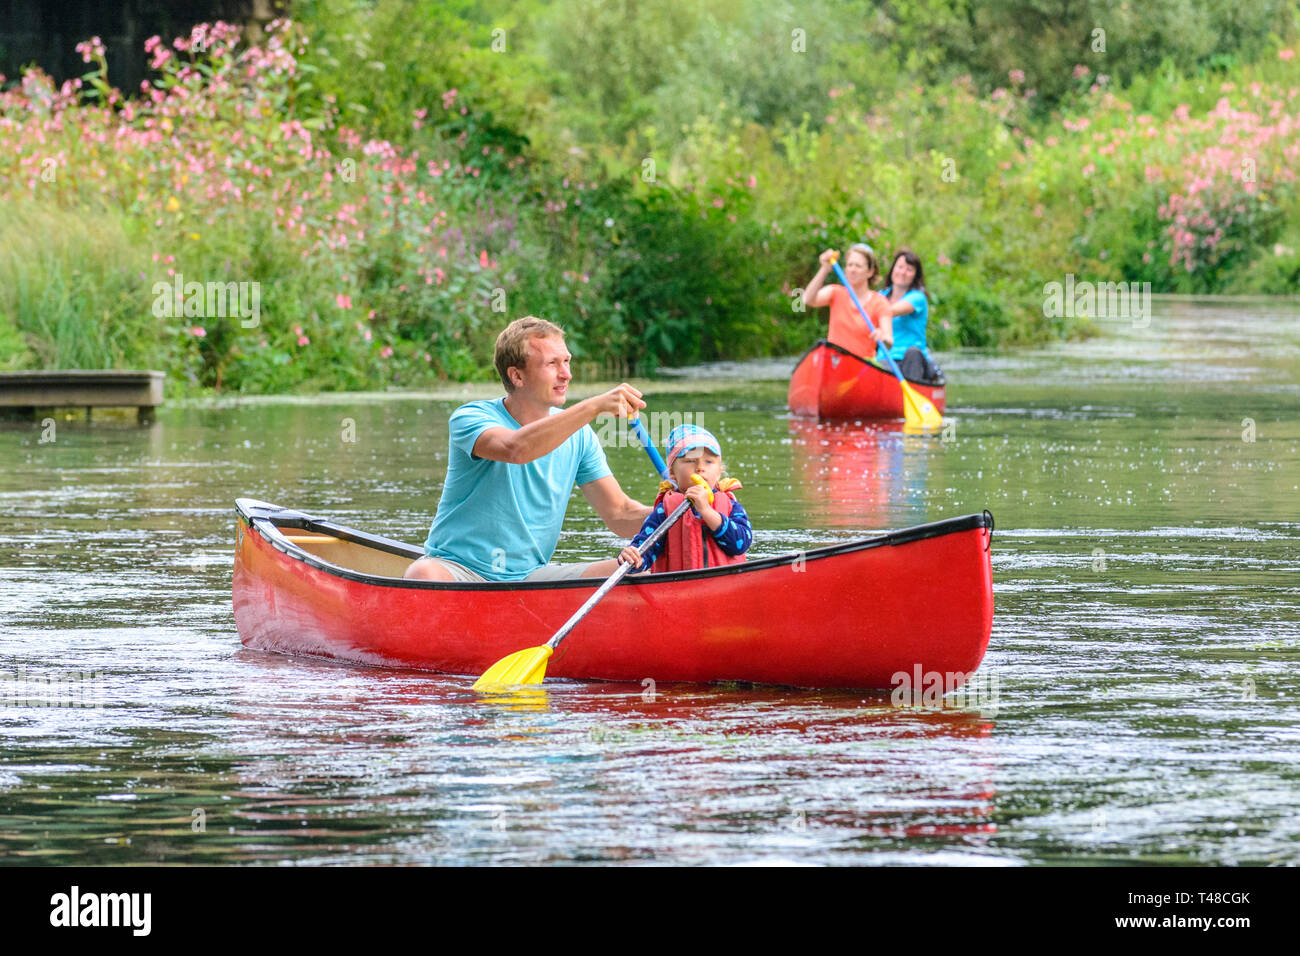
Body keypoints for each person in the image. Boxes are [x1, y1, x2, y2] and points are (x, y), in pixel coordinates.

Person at [404, 316, 651, 583]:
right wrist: (594, 406)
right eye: (552, 364)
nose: (566, 374)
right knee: (422, 573)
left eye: (566, 361)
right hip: (460, 571)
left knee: (646, 568)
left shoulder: (580, 436)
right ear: (517, 376)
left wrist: (677, 509)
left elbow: (620, 514)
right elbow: (516, 449)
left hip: (530, 579)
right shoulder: (471, 417)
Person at [617, 424, 752, 573]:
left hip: (726, 586)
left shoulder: (731, 506)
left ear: (719, 472)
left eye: (709, 461)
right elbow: (644, 553)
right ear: (672, 474)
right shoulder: (665, 510)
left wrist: (706, 511)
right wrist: (631, 557)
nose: (700, 467)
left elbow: (741, 544)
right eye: (690, 461)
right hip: (678, 589)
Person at [801, 243, 893, 362]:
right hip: (834, 362)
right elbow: (807, 299)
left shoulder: (880, 302)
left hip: (862, 365)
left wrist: (882, 337)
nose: (852, 270)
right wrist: (824, 269)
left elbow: (889, 340)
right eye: (850, 265)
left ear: (870, 272)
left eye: (858, 266)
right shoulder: (835, 292)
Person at [879, 249, 942, 383]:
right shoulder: (880, 296)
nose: (903, 272)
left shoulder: (917, 297)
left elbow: (889, 311)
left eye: (909, 269)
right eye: (900, 267)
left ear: (915, 275)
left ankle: (914, 391)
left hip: (912, 361)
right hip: (886, 359)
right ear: (893, 270)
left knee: (913, 353)